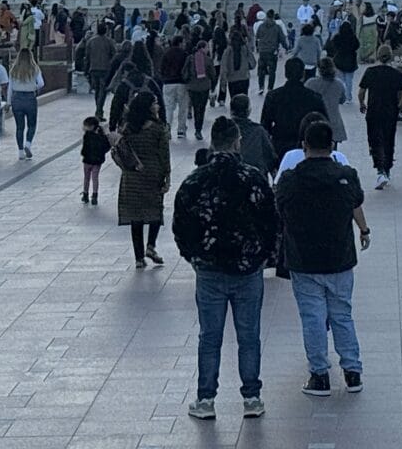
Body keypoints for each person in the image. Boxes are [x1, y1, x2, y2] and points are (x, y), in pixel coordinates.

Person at [174, 115, 278, 421]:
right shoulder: (253, 177)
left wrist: (193, 256)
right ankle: (252, 397)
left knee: (210, 336)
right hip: (247, 270)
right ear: (237, 142)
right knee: (249, 335)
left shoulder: (194, 181)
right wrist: (264, 257)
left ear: (212, 143)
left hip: (208, 270)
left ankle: (205, 399)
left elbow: (181, 225)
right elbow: (272, 222)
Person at [275, 118, 371, 395]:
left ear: (304, 145)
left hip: (303, 259)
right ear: (332, 145)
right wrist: (363, 230)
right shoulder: (347, 175)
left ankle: (319, 375)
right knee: (342, 314)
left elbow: (279, 208)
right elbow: (356, 202)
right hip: (340, 257)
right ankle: (353, 372)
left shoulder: (291, 179)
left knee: (312, 316)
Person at [116, 89, 172, 267]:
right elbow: (164, 154)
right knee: (155, 210)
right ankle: (151, 246)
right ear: (148, 107)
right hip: (152, 174)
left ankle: (139, 258)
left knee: (136, 216)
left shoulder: (127, 128)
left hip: (131, 175)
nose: (157, 106)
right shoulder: (158, 128)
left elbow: (120, 148)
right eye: (155, 103)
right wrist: (167, 175)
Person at [357, 43, 402, 188]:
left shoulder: (370, 71)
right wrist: (398, 107)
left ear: (378, 56)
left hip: (374, 111)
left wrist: (362, 104)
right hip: (390, 112)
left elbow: (361, 92)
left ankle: (380, 170)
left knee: (375, 140)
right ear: (391, 57)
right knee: (388, 139)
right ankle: (387, 168)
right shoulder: (397, 74)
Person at [260, 58, 325, 166]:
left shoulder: (273, 96)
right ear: (303, 74)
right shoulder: (314, 97)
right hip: (306, 146)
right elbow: (323, 122)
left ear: (286, 73)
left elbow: (265, 124)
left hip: (280, 144)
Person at [9, 44, 44, 159]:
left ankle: (20, 152)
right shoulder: (35, 68)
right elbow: (41, 83)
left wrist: (9, 102)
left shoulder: (13, 69)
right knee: (32, 124)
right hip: (30, 98)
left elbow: (10, 86)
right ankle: (28, 144)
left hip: (17, 98)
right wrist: (34, 87)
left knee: (19, 127)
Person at [313, 56, 350, 146]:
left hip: (316, 121)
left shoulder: (311, 83)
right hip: (334, 121)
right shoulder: (339, 84)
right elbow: (342, 100)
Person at [80, 115, 110, 205]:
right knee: (95, 178)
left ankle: (85, 194)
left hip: (87, 160)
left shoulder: (87, 136)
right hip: (97, 161)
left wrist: (84, 154)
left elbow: (85, 148)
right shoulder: (102, 136)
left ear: (92, 126)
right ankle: (94, 195)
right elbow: (106, 146)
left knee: (86, 178)